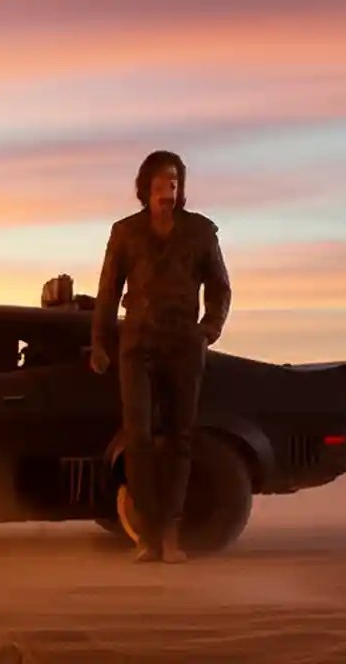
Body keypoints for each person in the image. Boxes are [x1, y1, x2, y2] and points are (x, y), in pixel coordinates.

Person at [89, 150, 232, 564]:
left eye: (174, 183)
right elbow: (108, 292)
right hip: (137, 344)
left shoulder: (201, 231)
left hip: (184, 345)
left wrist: (209, 328)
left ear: (180, 188)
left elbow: (220, 287)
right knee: (138, 438)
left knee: (179, 438)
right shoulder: (125, 233)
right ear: (145, 190)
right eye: (159, 185)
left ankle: (170, 534)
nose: (167, 192)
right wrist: (100, 342)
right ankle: (148, 536)